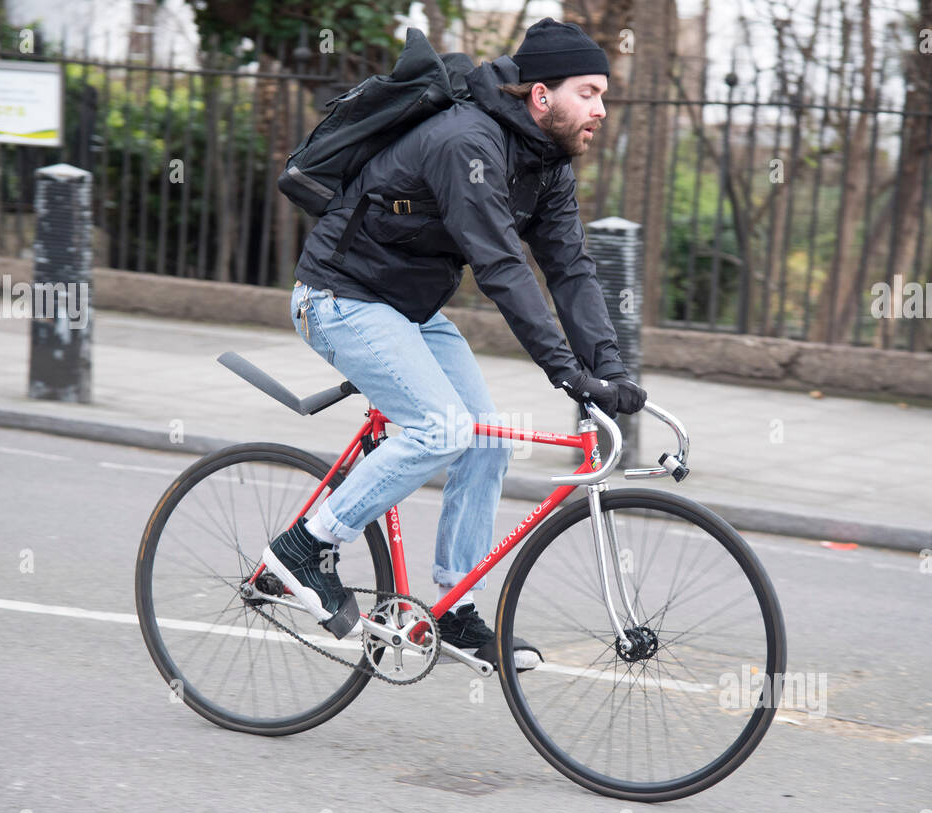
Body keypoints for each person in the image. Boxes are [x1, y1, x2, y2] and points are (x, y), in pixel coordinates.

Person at [262, 18, 647, 672]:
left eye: (603, 95)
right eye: (588, 92)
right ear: (541, 96)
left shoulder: (547, 164)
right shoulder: (466, 142)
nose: (601, 109)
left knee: (489, 436)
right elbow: (500, 266)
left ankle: (452, 607)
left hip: (406, 309)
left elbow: (570, 269)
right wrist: (565, 374)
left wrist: (610, 369)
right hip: (339, 297)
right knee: (442, 429)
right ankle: (303, 547)